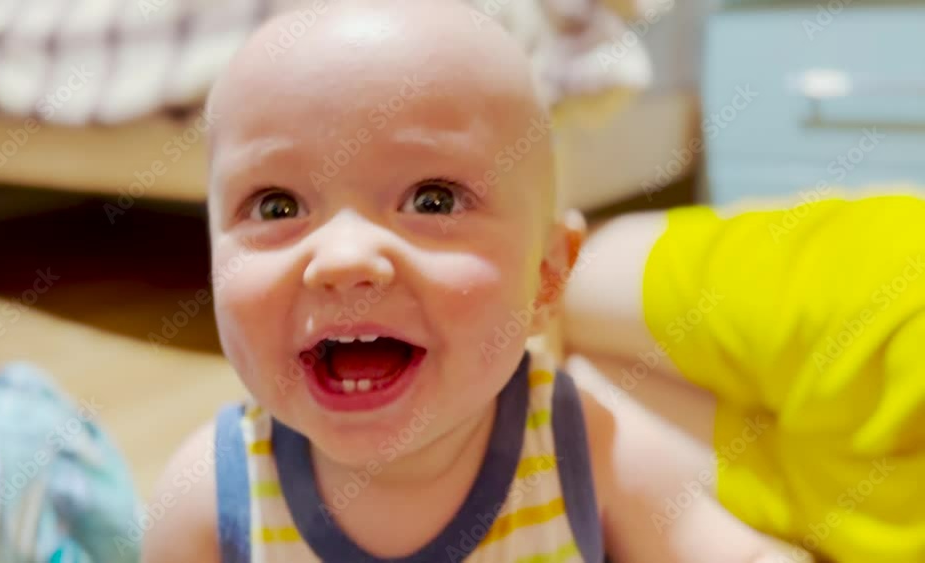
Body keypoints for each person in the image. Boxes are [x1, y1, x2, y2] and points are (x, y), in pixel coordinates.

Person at [143, 1, 809, 561]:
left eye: (433, 200)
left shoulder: (582, 444)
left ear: (547, 277)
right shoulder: (212, 499)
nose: (344, 257)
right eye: (276, 207)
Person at [563, 191, 925, 563]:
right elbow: (554, 285)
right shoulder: (883, 293)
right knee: (558, 293)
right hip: (856, 319)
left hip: (833, 501)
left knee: (566, 433)